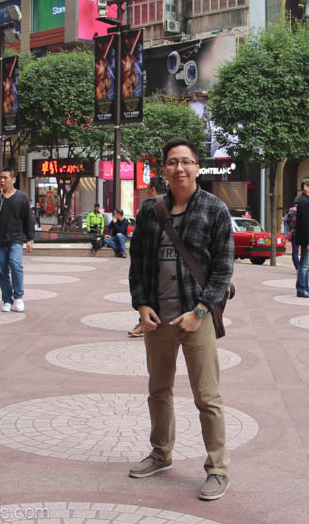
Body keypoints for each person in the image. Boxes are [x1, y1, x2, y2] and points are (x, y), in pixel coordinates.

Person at [127, 137, 234, 501]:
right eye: (173, 162)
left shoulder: (215, 209)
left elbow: (223, 269)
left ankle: (218, 468)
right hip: (158, 318)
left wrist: (200, 311)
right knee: (158, 391)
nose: (180, 168)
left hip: (196, 317)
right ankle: (161, 454)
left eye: (186, 161)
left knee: (207, 396)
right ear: (165, 170)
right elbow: (138, 263)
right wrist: (141, 305)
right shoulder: (149, 211)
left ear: (197, 168)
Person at [0, 168, 34, 313]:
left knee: (15, 264)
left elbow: (28, 219)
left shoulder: (22, 197)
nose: (2, 181)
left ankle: (18, 297)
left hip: (16, 238)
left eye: (5, 178)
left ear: (14, 180)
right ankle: (7, 299)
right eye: (1, 178)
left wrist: (30, 238)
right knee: (2, 271)